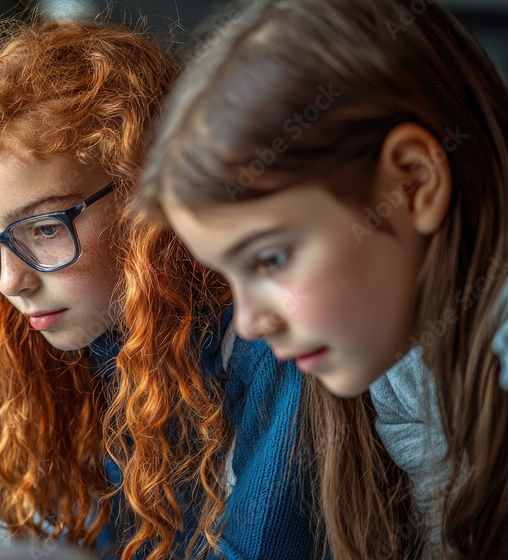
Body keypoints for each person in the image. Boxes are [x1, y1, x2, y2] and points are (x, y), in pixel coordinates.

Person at [0, 19, 319, 559]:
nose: (10, 280)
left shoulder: (275, 345)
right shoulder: (97, 341)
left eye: (47, 228)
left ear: (147, 197)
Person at [138, 0, 508, 557]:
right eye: (228, 277)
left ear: (412, 183)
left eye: (270, 260)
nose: (250, 321)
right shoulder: (402, 375)